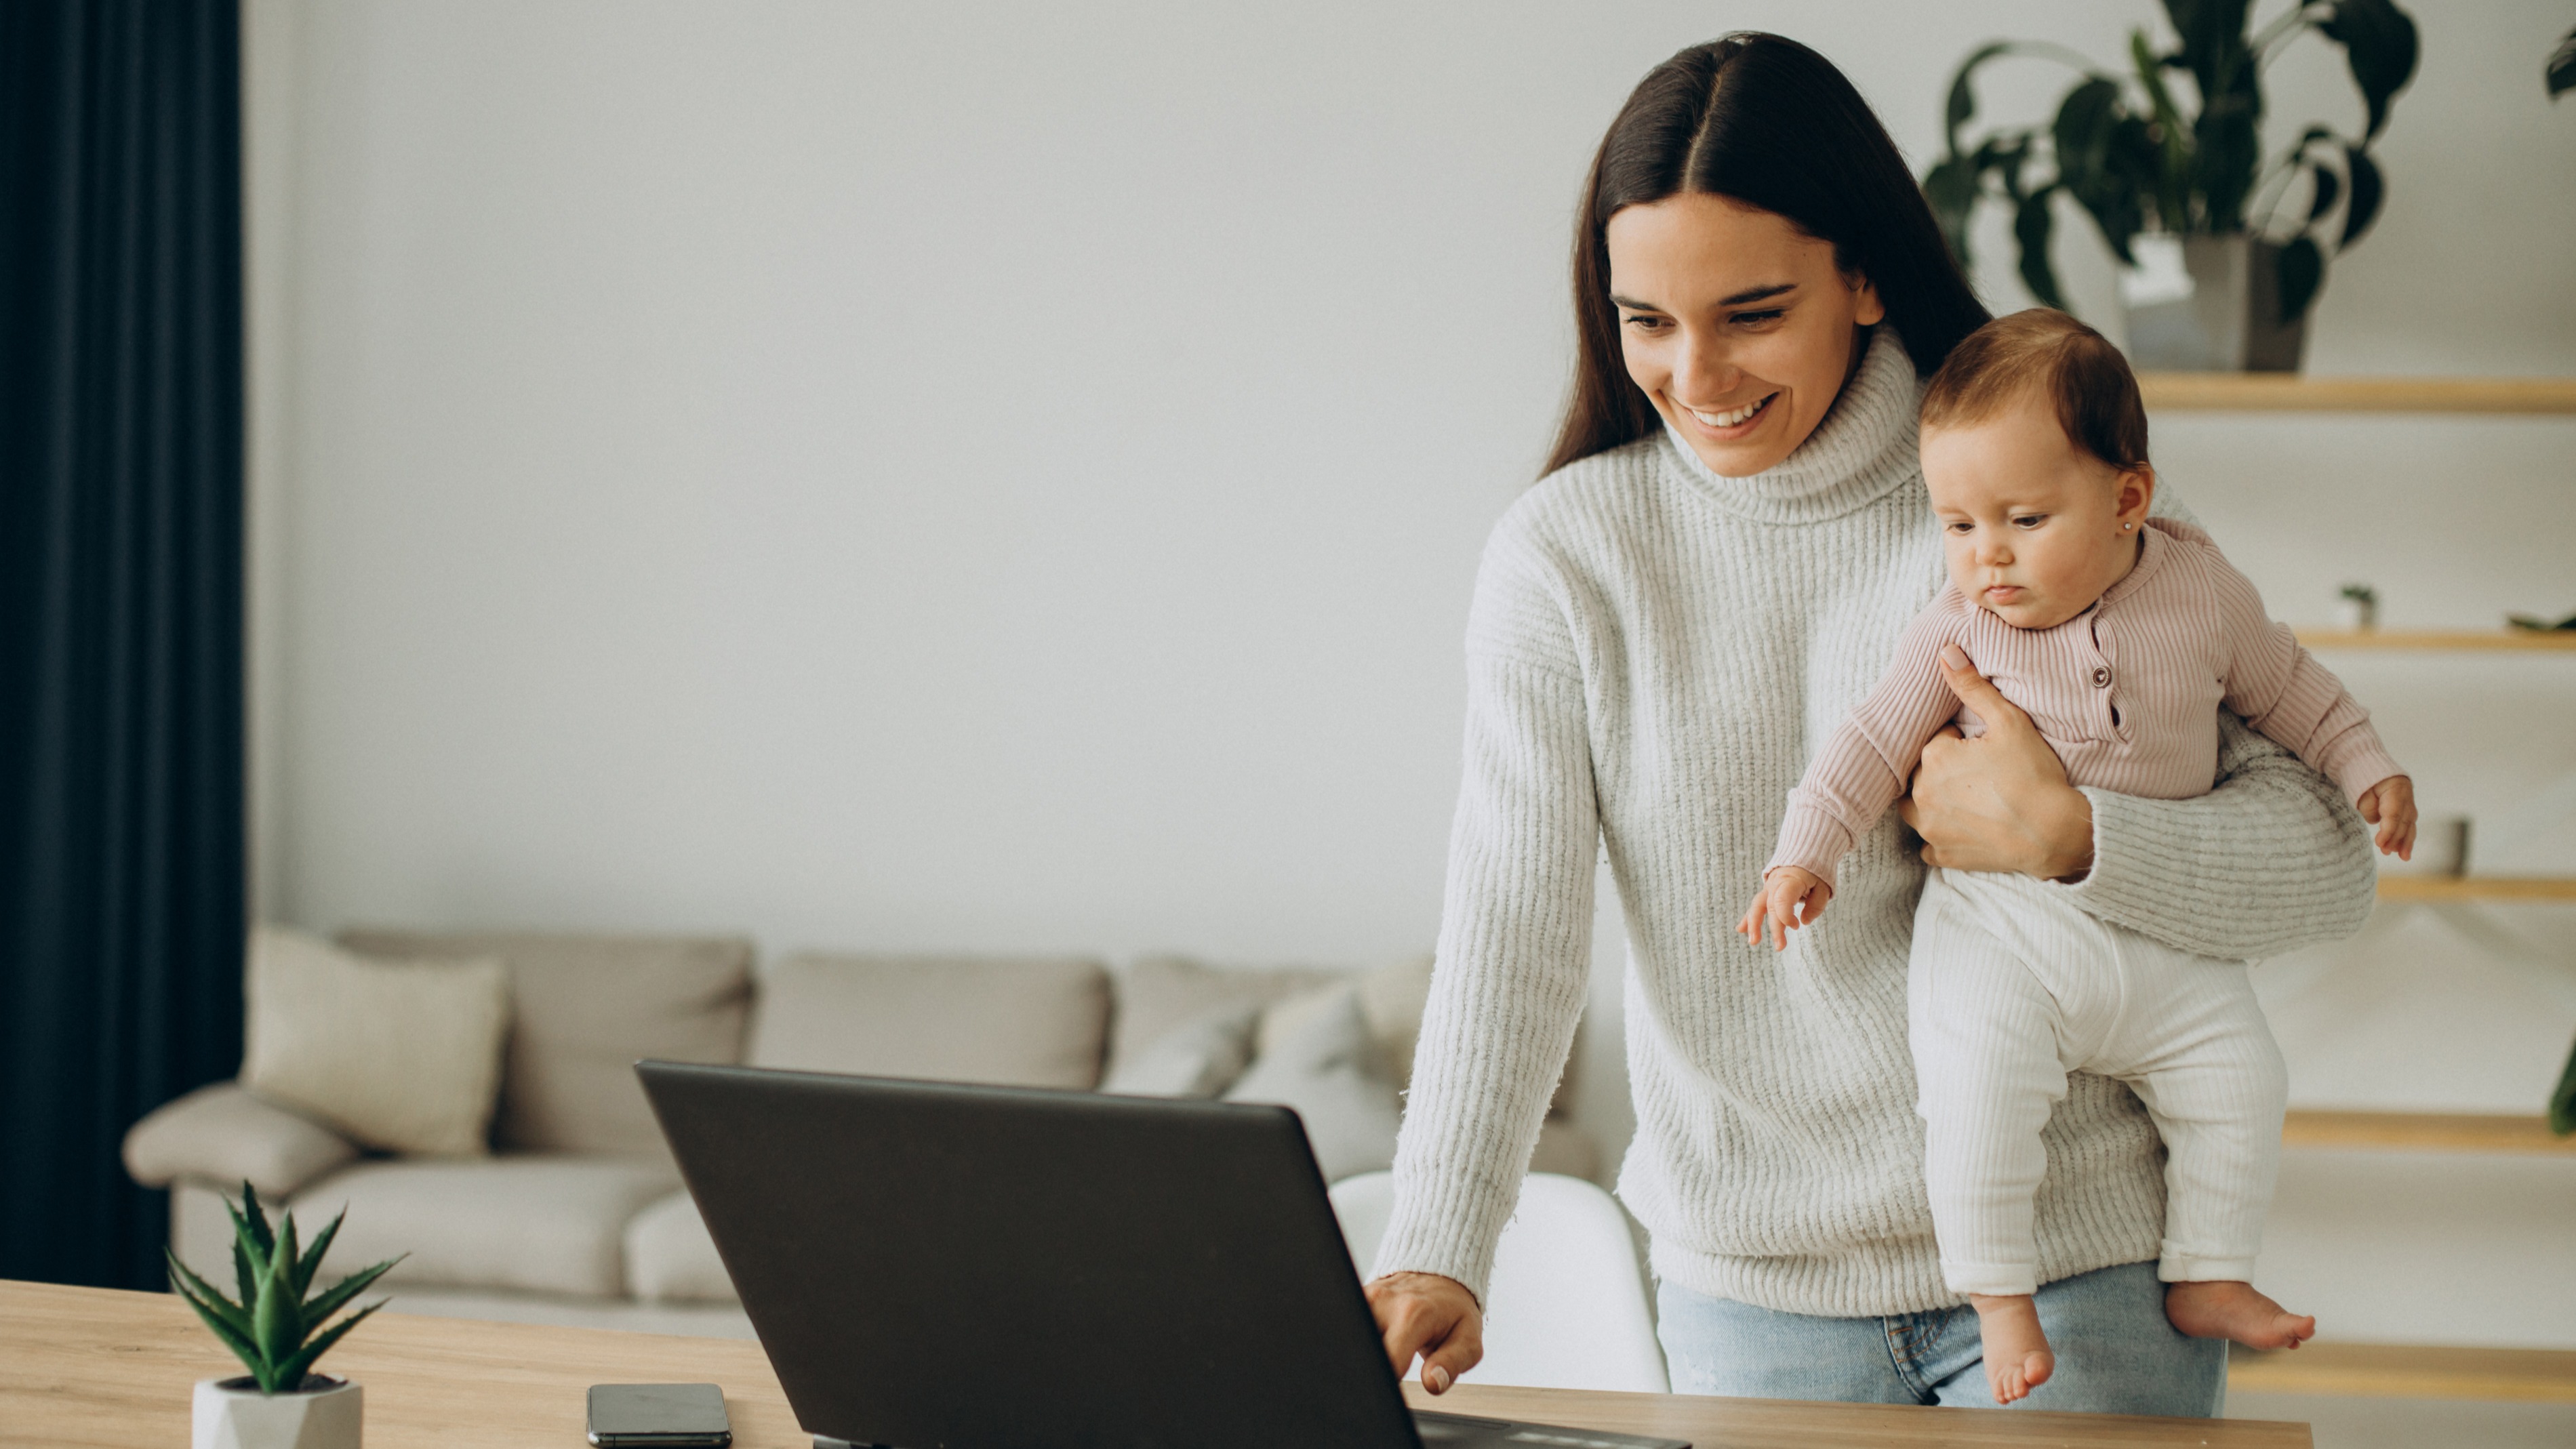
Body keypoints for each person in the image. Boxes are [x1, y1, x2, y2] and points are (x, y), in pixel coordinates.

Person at [1363, 34, 2376, 1416]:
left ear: (1862, 275)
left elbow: (2329, 859)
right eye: (1645, 320)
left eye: (1752, 311)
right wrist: (1438, 1241)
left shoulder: (2034, 497)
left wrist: (2078, 837)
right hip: (1749, 1289)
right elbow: (1511, 929)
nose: (1696, 374)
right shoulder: (1566, 559)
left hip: (2076, 1267)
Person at [1739, 308, 2415, 1404]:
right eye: (1956, 524)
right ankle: (1998, 1294)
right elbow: (1868, 740)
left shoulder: (2203, 594)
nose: (1985, 555)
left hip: (2160, 930)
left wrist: (2367, 763)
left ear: (2128, 500)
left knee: (2243, 1076)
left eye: (2022, 518)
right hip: (2003, 931)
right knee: (1975, 1092)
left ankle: (2209, 1271)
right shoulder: (1959, 623)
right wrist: (1803, 853)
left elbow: (2294, 692)